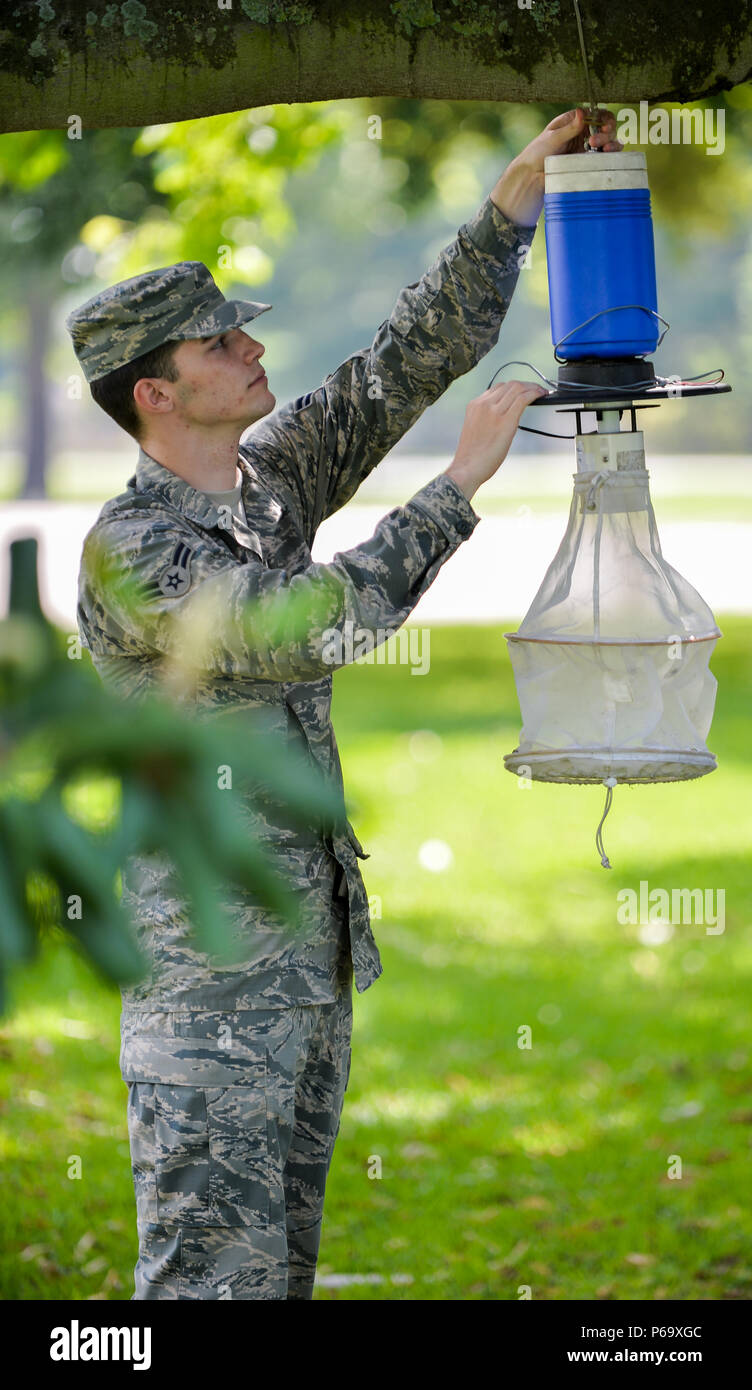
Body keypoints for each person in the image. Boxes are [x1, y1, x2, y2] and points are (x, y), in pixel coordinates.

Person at [67, 106, 621, 1301]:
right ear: (153, 393)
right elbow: (306, 623)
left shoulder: (268, 482)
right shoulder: (131, 549)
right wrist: (455, 489)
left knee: (283, 1277)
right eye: (219, 345)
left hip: (305, 971)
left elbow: (405, 358)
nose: (252, 352)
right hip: (210, 995)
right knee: (212, 1285)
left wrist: (515, 197)